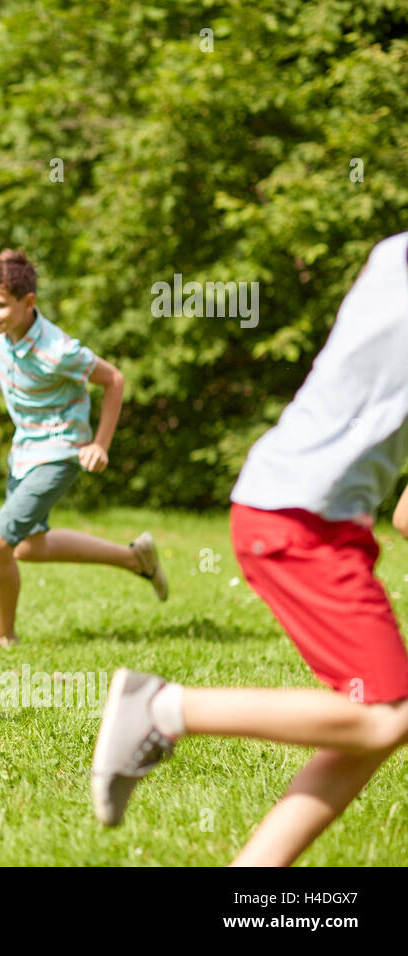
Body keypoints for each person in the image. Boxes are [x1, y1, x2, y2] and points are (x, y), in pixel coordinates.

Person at [91, 232, 408, 866]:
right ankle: (161, 707)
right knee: (386, 716)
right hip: (299, 516)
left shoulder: (390, 258)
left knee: (366, 737)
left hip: (305, 511)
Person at [0, 249, 167, 650]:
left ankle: (2, 637)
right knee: (26, 547)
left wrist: (100, 444)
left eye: (0, 306)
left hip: (61, 450)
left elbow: (114, 380)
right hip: (24, 448)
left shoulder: (58, 351)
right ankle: (135, 559)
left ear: (29, 303)